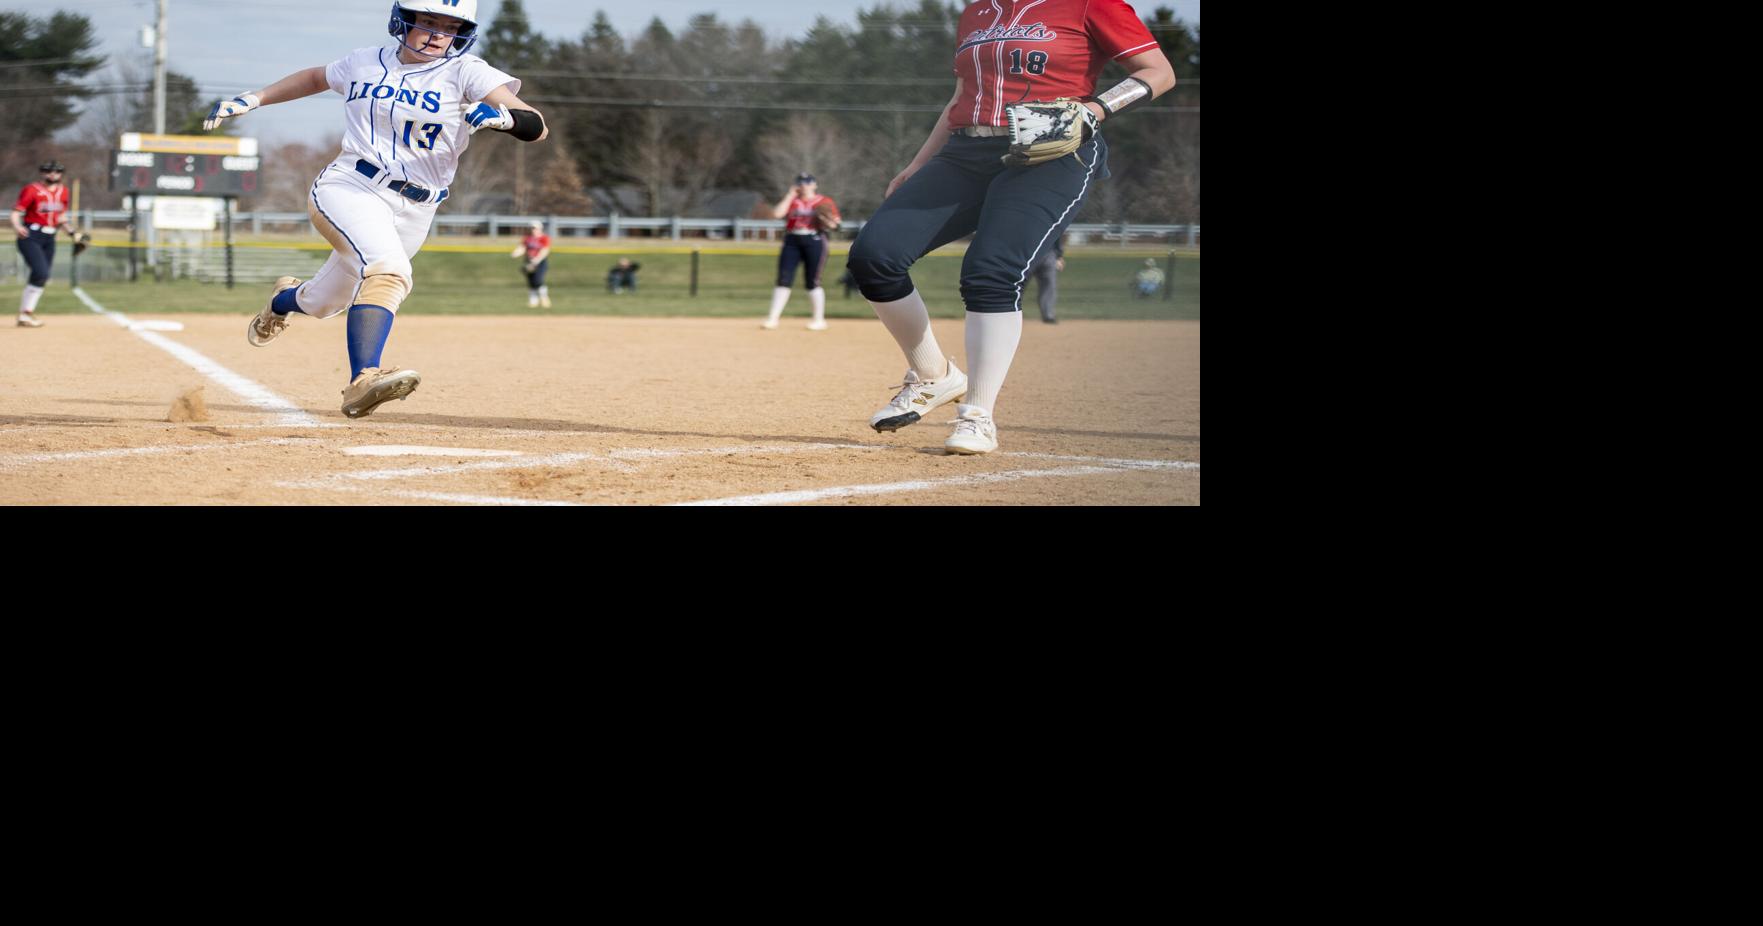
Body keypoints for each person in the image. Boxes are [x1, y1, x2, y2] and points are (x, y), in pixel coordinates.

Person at [846, 0, 1175, 453]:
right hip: (966, 151)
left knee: (991, 271)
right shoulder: (978, 11)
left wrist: (1095, 111)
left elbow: (1158, 71)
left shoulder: (1091, 4)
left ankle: (977, 415)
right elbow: (960, 95)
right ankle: (932, 376)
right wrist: (918, 163)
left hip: (1051, 151)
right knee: (874, 256)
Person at [204, 0, 548, 419]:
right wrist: (253, 99)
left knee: (324, 302)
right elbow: (315, 77)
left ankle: (282, 301)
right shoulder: (364, 63)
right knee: (389, 273)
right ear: (402, 21)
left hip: (418, 207)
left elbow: (536, 123)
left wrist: (505, 120)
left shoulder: (465, 71)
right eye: (429, 21)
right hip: (351, 185)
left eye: (451, 26)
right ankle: (362, 380)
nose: (439, 33)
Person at [10, 160, 87, 328]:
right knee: (41, 270)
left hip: (50, 237)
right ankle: (25, 314)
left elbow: (60, 218)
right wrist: (17, 226)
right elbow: (16, 212)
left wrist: (73, 233)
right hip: (31, 235)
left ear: (61, 174)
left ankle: (26, 314)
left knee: (42, 276)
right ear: (42, 173)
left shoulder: (64, 192)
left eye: (57, 172)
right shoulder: (32, 190)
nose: (53, 174)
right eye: (48, 171)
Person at [762, 172, 840, 331]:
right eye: (801, 182)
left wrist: (826, 220)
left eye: (808, 182)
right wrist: (790, 195)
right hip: (792, 240)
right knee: (783, 278)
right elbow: (777, 214)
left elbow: (836, 225)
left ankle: (819, 320)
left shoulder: (824, 201)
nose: (804, 185)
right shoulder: (793, 201)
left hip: (814, 240)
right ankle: (773, 318)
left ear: (814, 184)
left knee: (813, 280)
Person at [512, 220, 551, 307]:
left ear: (540, 228)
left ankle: (544, 297)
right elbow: (522, 248)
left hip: (540, 262)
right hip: (528, 262)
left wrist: (537, 259)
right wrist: (516, 253)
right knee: (531, 282)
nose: (533, 230)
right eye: (532, 228)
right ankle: (533, 300)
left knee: (538, 280)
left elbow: (545, 250)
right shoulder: (527, 238)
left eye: (535, 228)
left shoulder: (544, 238)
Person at [1028, 235, 1065, 324]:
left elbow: (1057, 233)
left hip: (1048, 253)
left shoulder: (1048, 220)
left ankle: (1048, 315)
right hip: (1025, 252)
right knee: (1017, 284)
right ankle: (1011, 313)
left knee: (1049, 285)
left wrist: (1059, 255)